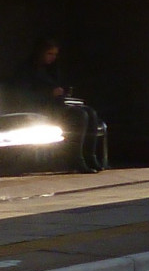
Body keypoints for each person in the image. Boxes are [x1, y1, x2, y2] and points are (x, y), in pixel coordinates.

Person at [11, 37, 107, 172]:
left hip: (56, 105)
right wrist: (49, 93)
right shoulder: (26, 70)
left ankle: (90, 156)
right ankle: (75, 158)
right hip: (40, 107)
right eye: (49, 54)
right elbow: (23, 94)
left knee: (90, 112)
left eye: (55, 55)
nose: (52, 58)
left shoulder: (51, 70)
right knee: (79, 115)